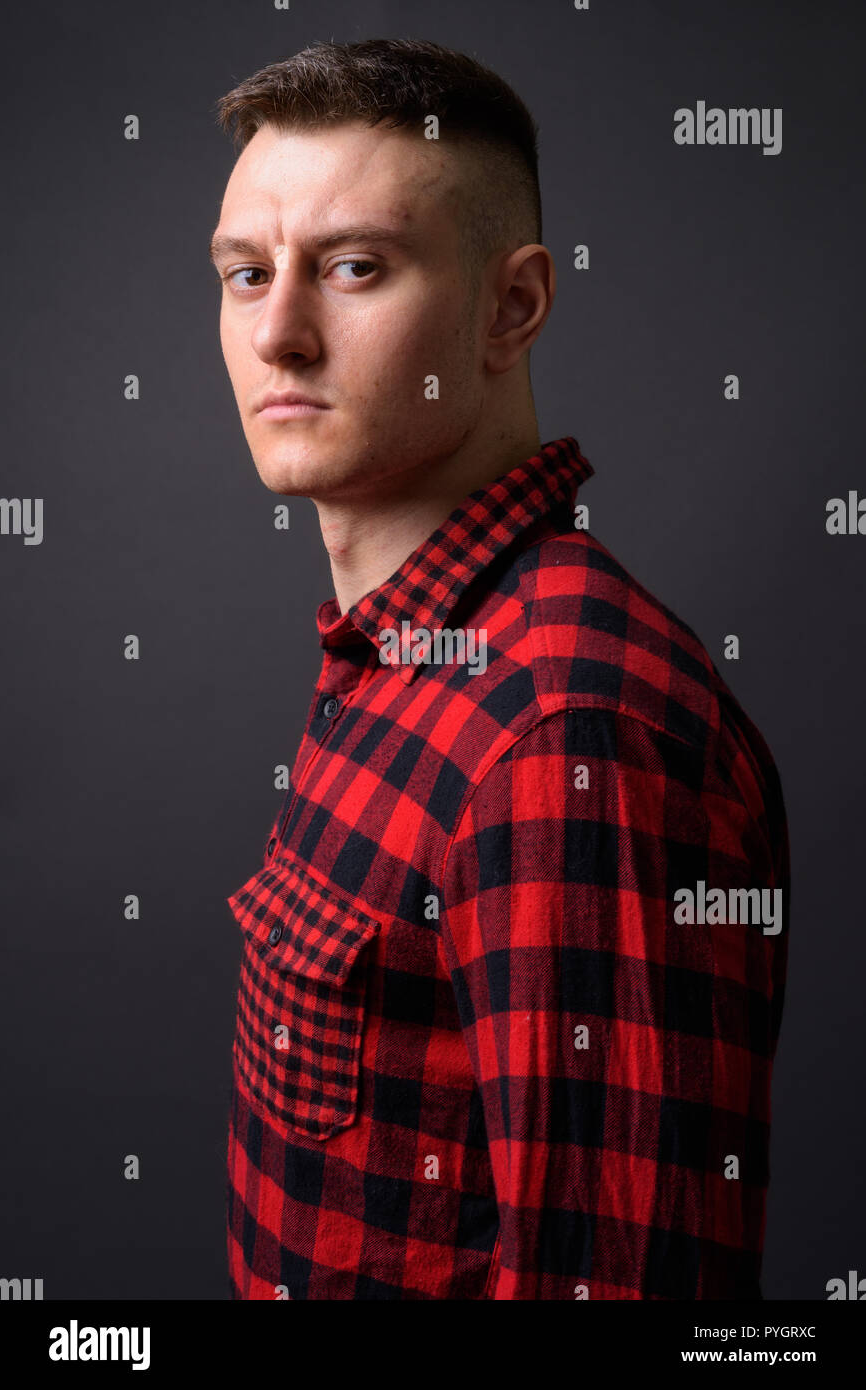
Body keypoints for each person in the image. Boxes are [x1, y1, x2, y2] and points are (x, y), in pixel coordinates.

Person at [211, 37, 789, 1300]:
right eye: (247, 273)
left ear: (513, 306)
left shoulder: (566, 730)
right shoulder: (396, 657)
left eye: (355, 267)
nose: (280, 335)